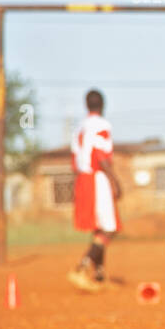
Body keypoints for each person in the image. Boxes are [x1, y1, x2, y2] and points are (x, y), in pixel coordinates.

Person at [68, 90, 121, 292]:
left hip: (83, 179)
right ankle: (81, 268)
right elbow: (101, 155)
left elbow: (74, 161)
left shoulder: (79, 128)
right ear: (103, 104)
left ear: (86, 105)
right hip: (98, 177)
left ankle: (99, 277)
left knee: (99, 228)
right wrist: (115, 180)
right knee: (110, 227)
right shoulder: (102, 125)